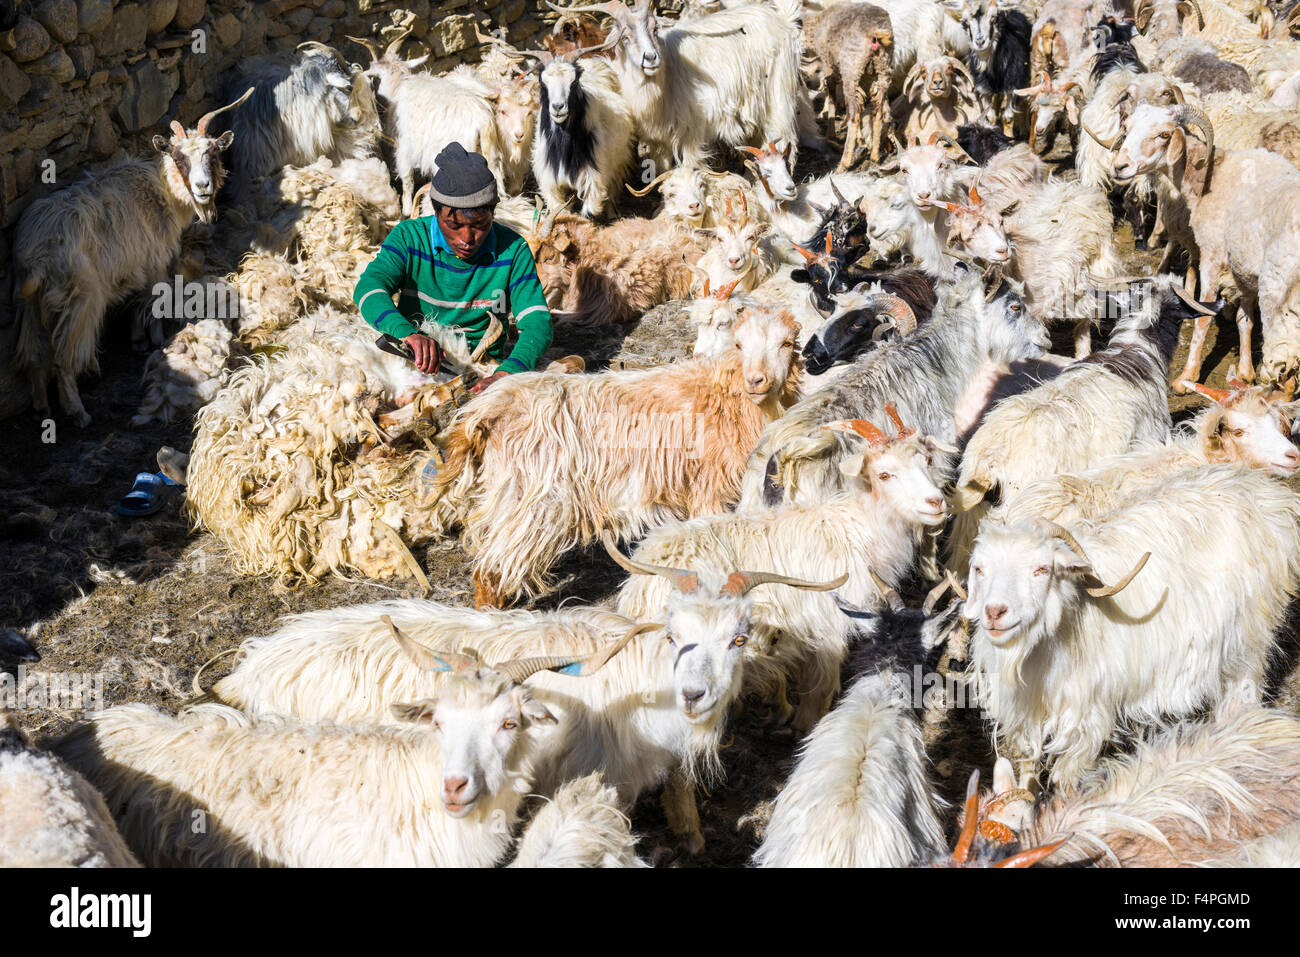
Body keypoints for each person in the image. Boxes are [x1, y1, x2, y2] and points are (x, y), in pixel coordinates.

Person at [352, 142, 552, 393]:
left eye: (479, 224)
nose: (467, 239)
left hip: (483, 369)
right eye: (454, 226)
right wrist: (406, 333)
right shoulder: (409, 237)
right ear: (436, 212)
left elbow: (537, 322)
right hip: (416, 363)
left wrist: (506, 373)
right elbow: (369, 287)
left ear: (492, 212)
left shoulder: (513, 250)